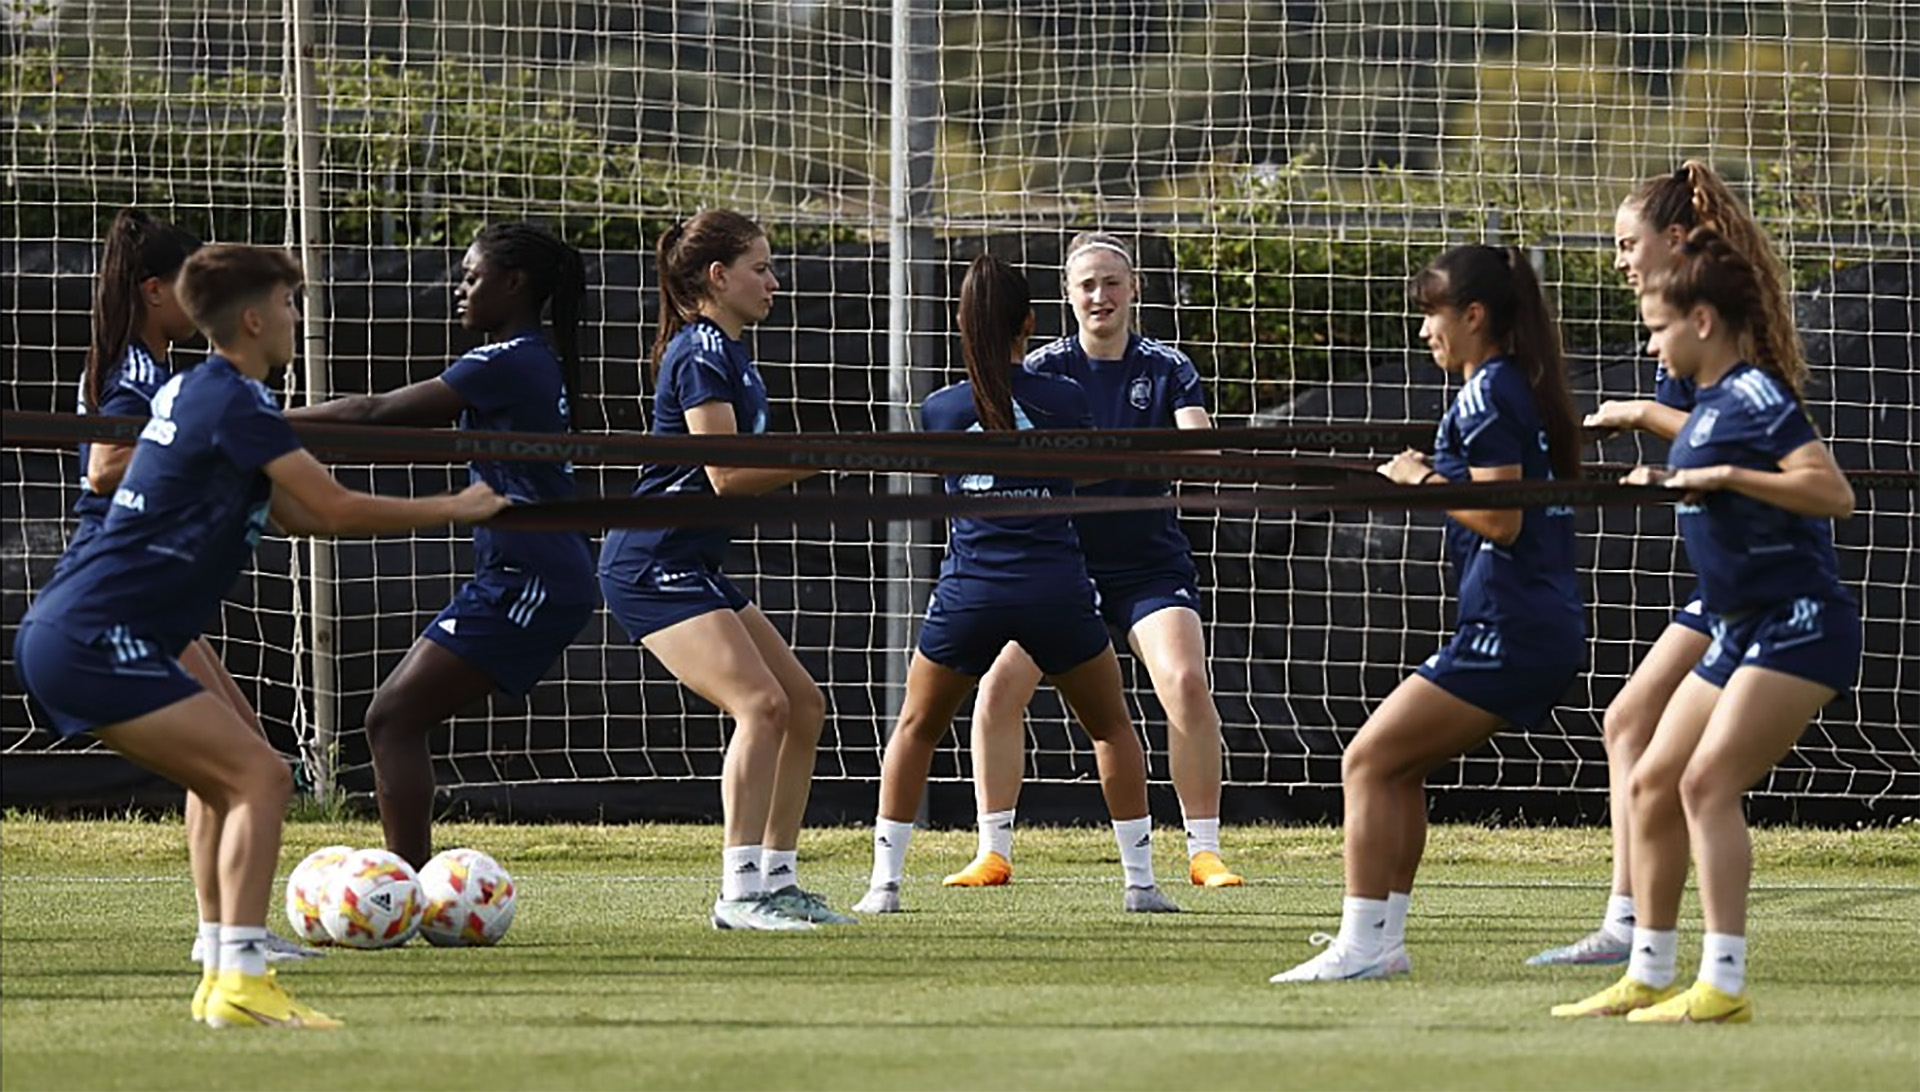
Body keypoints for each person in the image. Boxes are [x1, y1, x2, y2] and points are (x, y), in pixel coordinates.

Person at [14, 244, 507, 1029]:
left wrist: (433, 509)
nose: (295, 319)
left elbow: (298, 516)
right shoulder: (235, 401)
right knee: (261, 778)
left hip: (82, 630)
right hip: (97, 635)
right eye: (287, 304)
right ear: (252, 318)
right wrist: (456, 507)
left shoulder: (203, 393)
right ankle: (243, 976)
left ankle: (221, 970)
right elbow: (335, 506)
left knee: (227, 780)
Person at [1553, 232, 1857, 1023]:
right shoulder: (1711, 405)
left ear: (1701, 321)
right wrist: (1670, 478)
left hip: (1798, 623)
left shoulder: (1754, 394)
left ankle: (1722, 983)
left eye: (1657, 329)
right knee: (1652, 781)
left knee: (1704, 784)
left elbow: (1832, 493)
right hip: (1738, 625)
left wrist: (1719, 475)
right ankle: (1648, 972)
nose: (1651, 343)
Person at [1269, 244, 1584, 982]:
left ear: (1473, 316)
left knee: (1368, 761)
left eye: (1431, 317)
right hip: (1528, 621)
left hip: (1510, 629)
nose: (1423, 334)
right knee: (1397, 768)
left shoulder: (1487, 394)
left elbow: (1502, 519)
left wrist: (1421, 480)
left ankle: (1363, 945)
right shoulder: (1520, 385)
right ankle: (1382, 942)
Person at [1529, 161, 1806, 967]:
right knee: (1634, 728)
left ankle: (1648, 930)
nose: (1618, 259)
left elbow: (1737, 436)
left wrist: (1637, 417)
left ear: (1675, 240)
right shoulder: (1680, 322)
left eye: (1627, 242)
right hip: (1728, 576)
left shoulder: (1718, 323)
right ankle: (1635, 925)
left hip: (1762, 583)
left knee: (1689, 770)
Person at [851, 252, 1180, 916]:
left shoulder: (940, 409)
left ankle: (882, 887)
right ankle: (1141, 885)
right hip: (1056, 590)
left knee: (915, 726)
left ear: (961, 322)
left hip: (969, 592)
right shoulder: (1063, 398)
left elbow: (951, 483)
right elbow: (1083, 477)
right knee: (1113, 727)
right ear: (1029, 322)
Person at [60, 209, 323, 973]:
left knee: (234, 757)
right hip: (122, 587)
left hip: (145, 588)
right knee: (244, 761)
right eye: (184, 286)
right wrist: (202, 439)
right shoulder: (139, 373)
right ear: (153, 292)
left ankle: (227, 929)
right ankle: (228, 940)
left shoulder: (152, 368)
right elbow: (103, 468)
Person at [288, 222, 596, 869]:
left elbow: (372, 413)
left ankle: (407, 891)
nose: (459, 289)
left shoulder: (507, 358)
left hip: (530, 578)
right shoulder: (531, 357)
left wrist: (248, 423)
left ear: (514, 284)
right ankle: (415, 886)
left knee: (392, 719)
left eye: (472, 277)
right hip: (525, 572)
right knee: (392, 720)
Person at [943, 232, 1241, 891]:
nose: (1100, 295)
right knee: (996, 690)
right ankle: (993, 852)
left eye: (1111, 282)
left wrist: (1141, 464)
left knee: (1187, 684)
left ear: (1134, 289)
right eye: (1087, 285)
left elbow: (1202, 457)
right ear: (1067, 298)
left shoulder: (1167, 367)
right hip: (1060, 568)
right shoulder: (1044, 372)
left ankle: (1204, 853)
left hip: (1148, 567)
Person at [597, 210, 847, 931]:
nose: (774, 281)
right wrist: (820, 457)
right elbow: (728, 475)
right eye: (761, 268)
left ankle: (777, 881)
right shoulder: (700, 350)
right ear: (718, 277)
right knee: (761, 706)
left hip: (691, 559)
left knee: (802, 705)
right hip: (651, 564)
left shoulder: (731, 351)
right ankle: (739, 894)